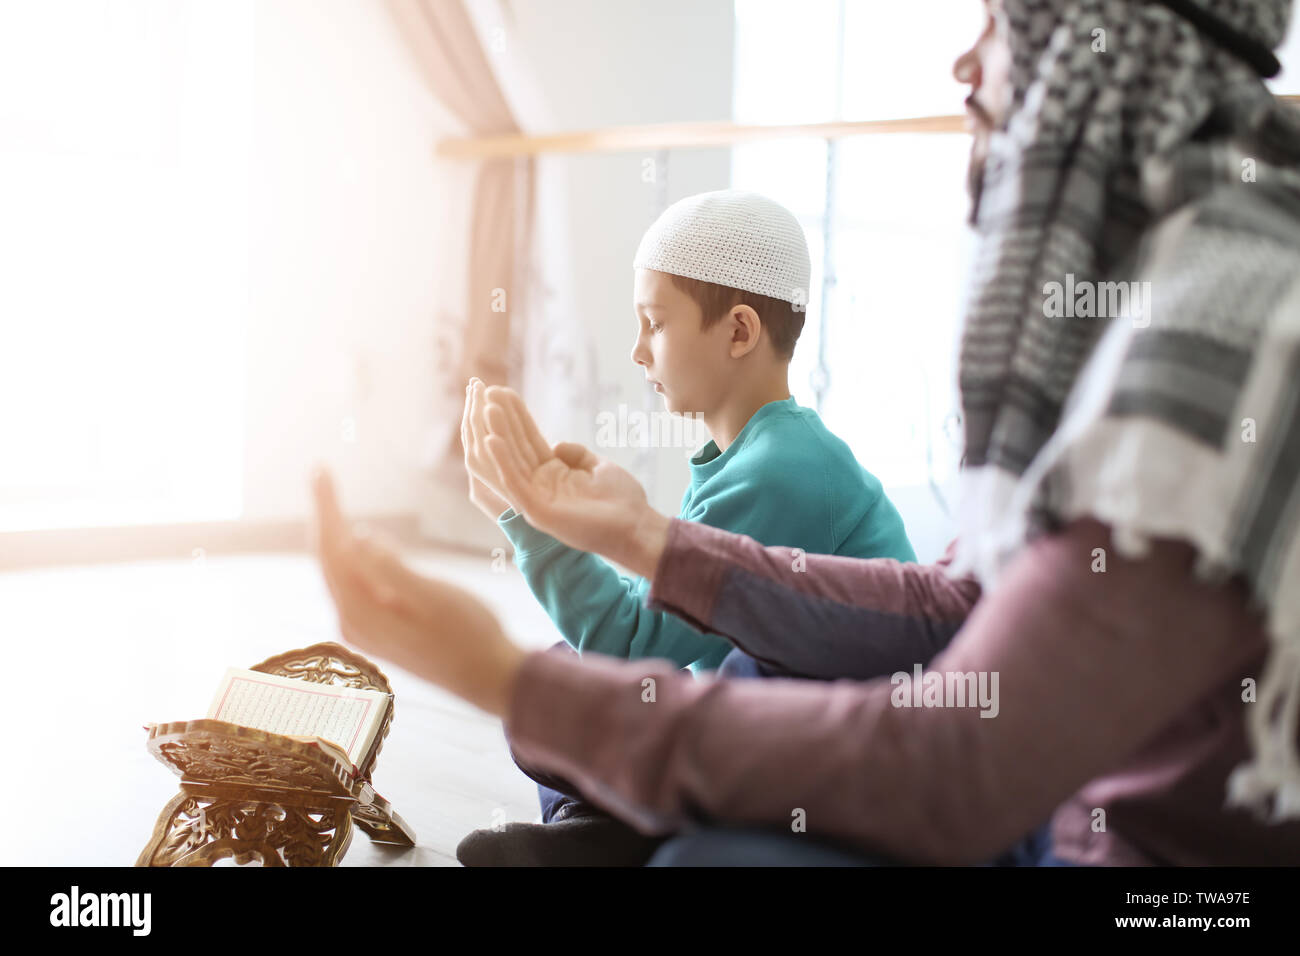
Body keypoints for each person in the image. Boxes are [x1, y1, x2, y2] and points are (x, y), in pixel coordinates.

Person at [310, 0, 1300, 865]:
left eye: (997, 20)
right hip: (1026, 789)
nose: (965, 65)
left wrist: (505, 672)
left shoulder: (1218, 324)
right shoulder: (1161, 295)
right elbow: (958, 602)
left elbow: (957, 767)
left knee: (701, 796)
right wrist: (632, 533)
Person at [456, 190, 914, 864]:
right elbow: (665, 630)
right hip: (755, 731)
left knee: (559, 697)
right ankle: (605, 834)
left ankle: (612, 840)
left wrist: (531, 525)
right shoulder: (761, 454)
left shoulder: (785, 471)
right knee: (556, 677)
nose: (638, 351)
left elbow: (633, 648)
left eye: (655, 323)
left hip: (825, 772)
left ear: (737, 332)